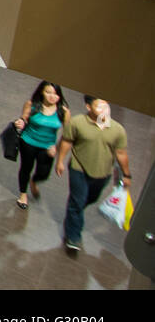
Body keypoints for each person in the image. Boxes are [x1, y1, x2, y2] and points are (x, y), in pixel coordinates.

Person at [56, 96, 133, 254]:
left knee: (88, 200)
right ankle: (73, 236)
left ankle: (73, 215)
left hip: (103, 174)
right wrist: (61, 161)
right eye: (100, 107)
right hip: (79, 169)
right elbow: (67, 141)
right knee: (77, 202)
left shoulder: (118, 130)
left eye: (107, 106)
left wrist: (126, 175)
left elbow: (121, 153)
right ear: (88, 107)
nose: (105, 110)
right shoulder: (77, 122)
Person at [13, 80, 69, 210]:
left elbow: (67, 135)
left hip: (47, 147)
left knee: (44, 173)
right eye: (48, 92)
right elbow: (24, 118)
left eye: (55, 94)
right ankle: (23, 194)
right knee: (26, 168)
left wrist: (57, 149)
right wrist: (20, 122)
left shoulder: (63, 111)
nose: (51, 96)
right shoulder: (32, 104)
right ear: (41, 92)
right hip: (28, 142)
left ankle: (34, 181)